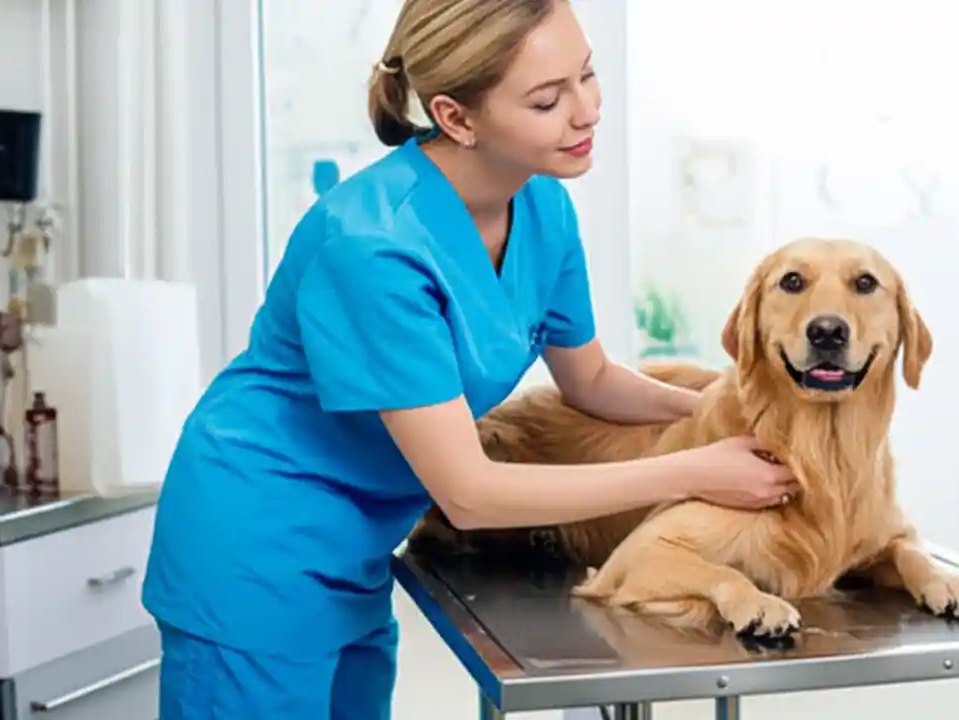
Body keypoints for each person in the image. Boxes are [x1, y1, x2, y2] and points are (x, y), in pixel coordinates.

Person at [141, 0, 799, 717]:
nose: (586, 112)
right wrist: (697, 470)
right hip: (253, 542)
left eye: (587, 76)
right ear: (457, 118)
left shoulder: (542, 204)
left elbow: (592, 380)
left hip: (356, 549)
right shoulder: (373, 246)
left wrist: (719, 412)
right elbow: (469, 493)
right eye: (548, 100)